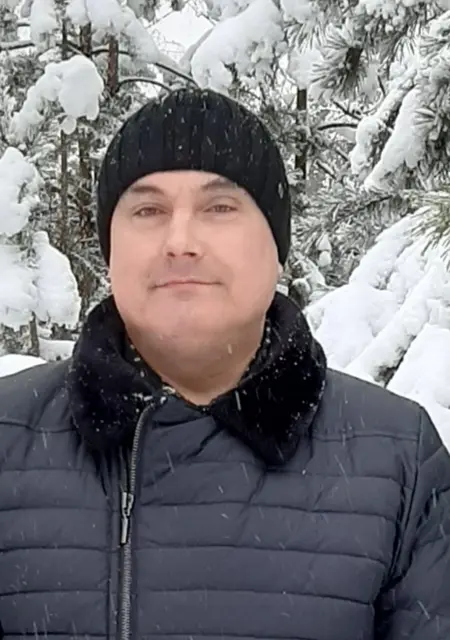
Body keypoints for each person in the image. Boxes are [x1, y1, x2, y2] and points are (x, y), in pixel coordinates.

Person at [0, 88, 449, 640]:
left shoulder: (399, 462)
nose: (180, 241)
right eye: (148, 210)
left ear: (276, 247)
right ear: (110, 250)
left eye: (219, 208)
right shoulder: (8, 439)